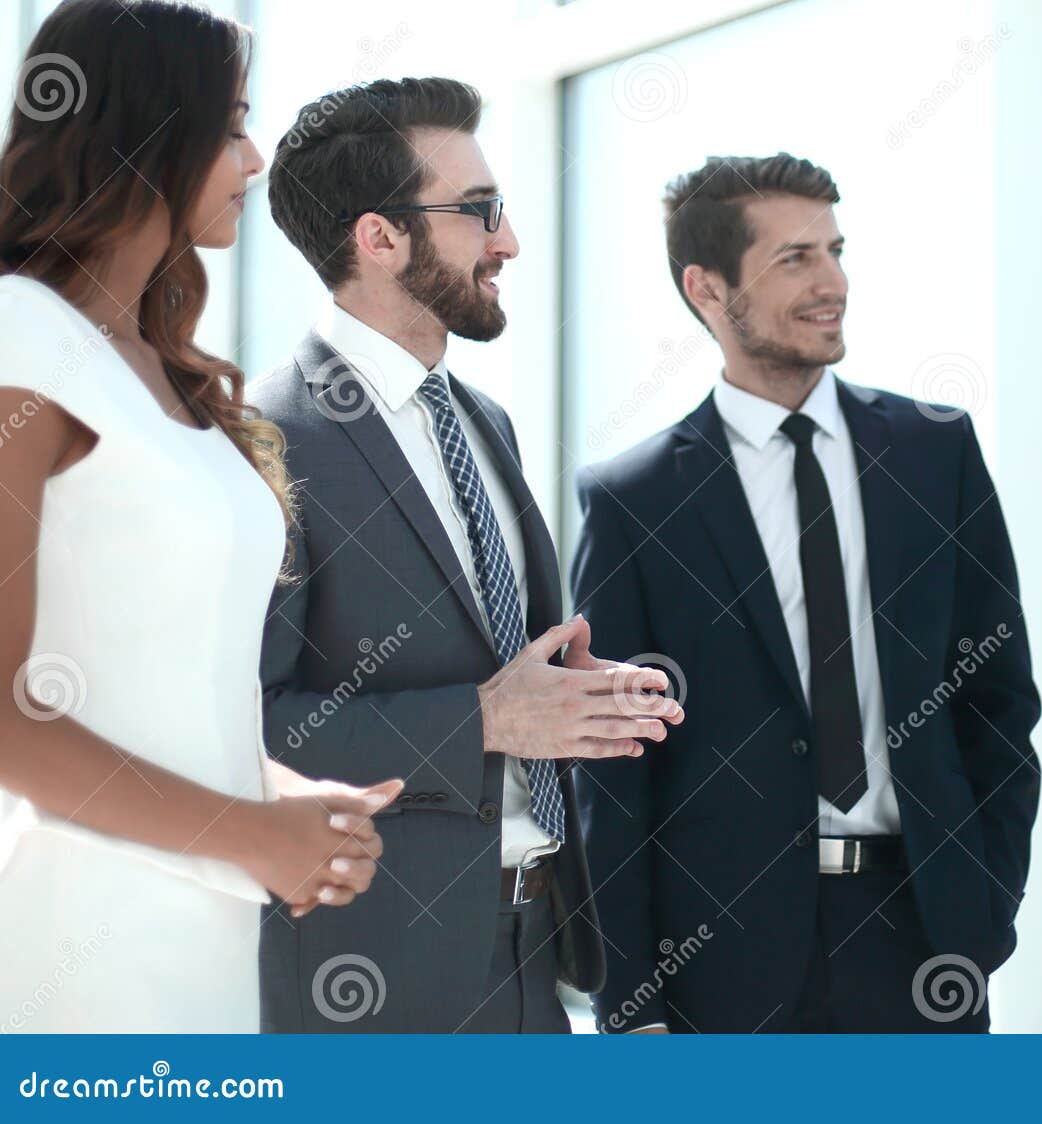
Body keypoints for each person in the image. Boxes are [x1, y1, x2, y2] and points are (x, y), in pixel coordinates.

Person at [571, 153, 1041, 1033]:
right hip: (718, 965)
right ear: (708, 289)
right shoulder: (633, 501)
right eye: (795, 258)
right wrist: (629, 1000)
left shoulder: (935, 452)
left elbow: (999, 701)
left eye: (835, 249)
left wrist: (984, 913)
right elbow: (610, 769)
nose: (833, 282)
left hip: (926, 943)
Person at [250, 76, 679, 1033]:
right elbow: (249, 729)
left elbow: (504, 678)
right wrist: (484, 720)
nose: (509, 242)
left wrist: (572, 698)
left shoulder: (485, 423)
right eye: (479, 212)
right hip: (375, 972)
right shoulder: (262, 440)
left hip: (538, 950)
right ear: (380, 237)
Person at [0, 0, 396, 1034]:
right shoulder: (17, 338)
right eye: (230, 125)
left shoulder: (156, 368)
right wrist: (255, 834)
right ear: (145, 134)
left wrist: (284, 801)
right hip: (72, 934)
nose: (255, 157)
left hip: (200, 933)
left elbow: (151, 675)